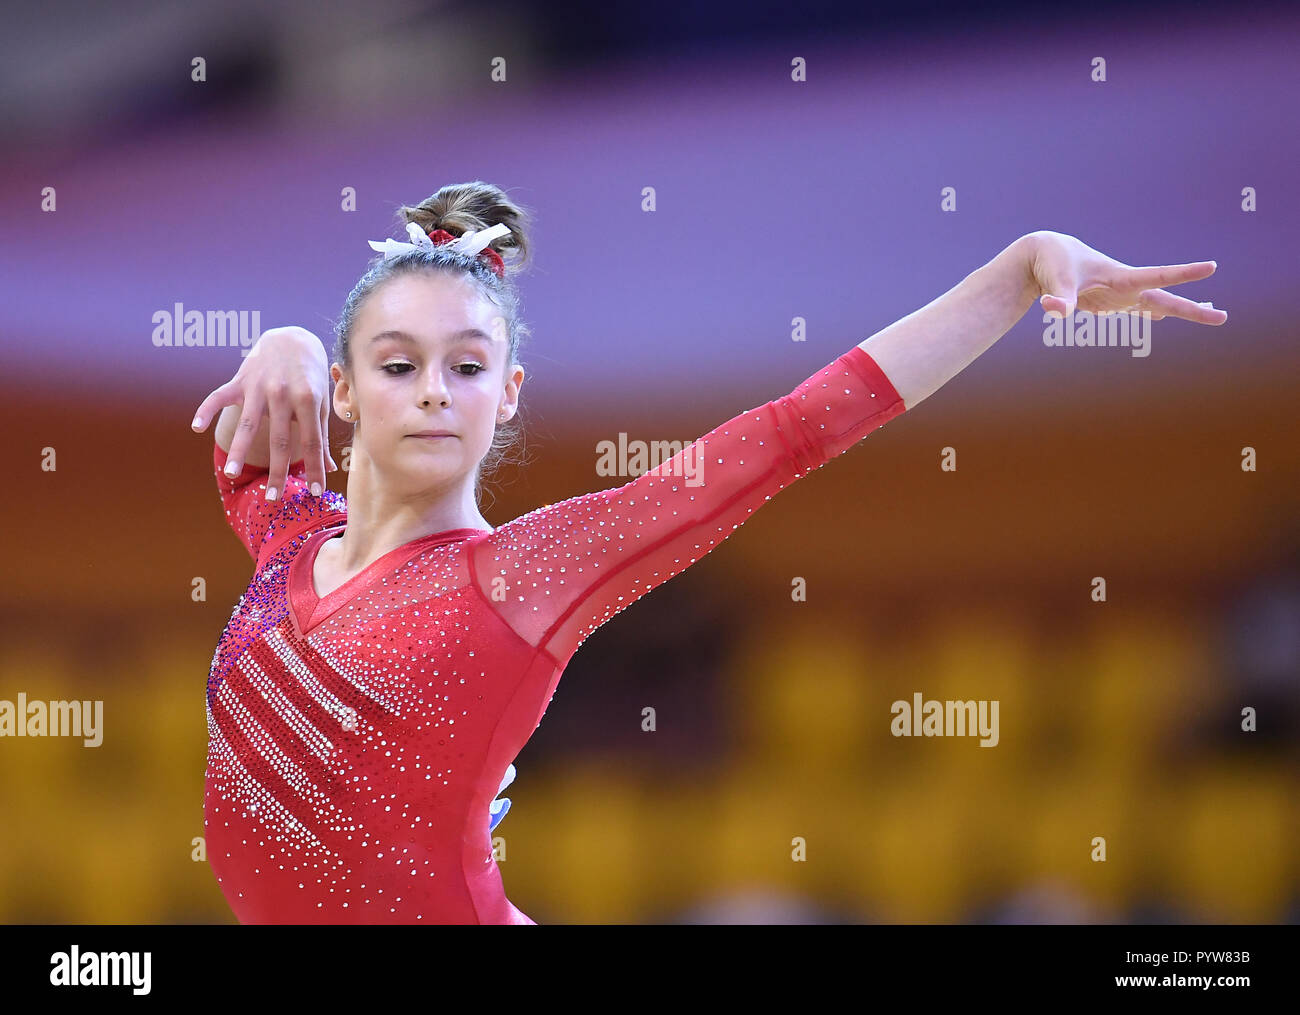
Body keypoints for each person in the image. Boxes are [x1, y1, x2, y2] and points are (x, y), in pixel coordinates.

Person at [189, 181, 1226, 924]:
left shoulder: (522, 573)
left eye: (466, 366)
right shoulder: (286, 534)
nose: (430, 391)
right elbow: (245, 445)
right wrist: (279, 338)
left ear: (506, 396)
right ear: (344, 388)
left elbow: (790, 432)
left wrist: (1016, 271)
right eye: (397, 363)